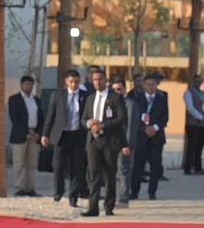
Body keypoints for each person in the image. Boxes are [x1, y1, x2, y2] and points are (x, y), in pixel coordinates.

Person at [79, 67, 128, 217]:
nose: (97, 82)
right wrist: (90, 124)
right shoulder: (90, 98)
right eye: (94, 80)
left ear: (106, 81)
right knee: (94, 175)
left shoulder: (115, 98)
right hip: (93, 141)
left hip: (109, 141)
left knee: (109, 175)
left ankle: (108, 206)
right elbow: (83, 119)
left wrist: (103, 125)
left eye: (100, 79)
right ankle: (93, 207)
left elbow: (121, 118)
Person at [40, 69, 87, 207]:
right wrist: (45, 134)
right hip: (61, 135)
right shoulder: (58, 95)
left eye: (76, 82)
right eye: (71, 82)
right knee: (58, 165)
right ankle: (58, 191)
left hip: (77, 135)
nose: (74, 84)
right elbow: (50, 115)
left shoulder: (85, 96)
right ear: (66, 82)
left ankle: (73, 196)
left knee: (76, 168)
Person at [130, 73, 169, 201]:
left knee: (155, 166)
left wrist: (155, 128)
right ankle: (134, 192)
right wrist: (144, 128)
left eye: (152, 84)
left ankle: (152, 192)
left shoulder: (162, 97)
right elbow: (134, 117)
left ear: (156, 85)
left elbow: (165, 117)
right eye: (147, 84)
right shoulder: (137, 98)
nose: (150, 87)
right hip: (141, 137)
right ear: (143, 85)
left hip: (156, 137)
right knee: (138, 166)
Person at [8, 74, 42, 197]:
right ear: (22, 85)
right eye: (26, 84)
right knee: (19, 163)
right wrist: (26, 133)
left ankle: (30, 187)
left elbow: (41, 117)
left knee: (32, 164)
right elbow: (15, 119)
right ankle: (20, 187)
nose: (29, 86)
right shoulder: (14, 99)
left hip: (34, 134)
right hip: (20, 135)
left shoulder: (36, 100)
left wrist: (38, 133)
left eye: (31, 84)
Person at [111, 77, 138, 208]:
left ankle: (123, 198)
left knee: (123, 170)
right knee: (114, 170)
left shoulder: (130, 104)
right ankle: (115, 196)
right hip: (112, 142)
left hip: (124, 144)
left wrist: (127, 144)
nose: (117, 92)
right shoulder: (112, 103)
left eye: (119, 89)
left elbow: (132, 126)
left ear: (124, 89)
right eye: (114, 89)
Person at [182, 74, 204, 175]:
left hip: (202, 124)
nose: (198, 83)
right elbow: (190, 108)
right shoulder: (188, 93)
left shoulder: (203, 93)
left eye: (200, 81)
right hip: (192, 124)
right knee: (191, 146)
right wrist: (200, 117)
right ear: (193, 81)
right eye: (196, 81)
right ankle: (188, 167)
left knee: (200, 146)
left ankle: (197, 167)